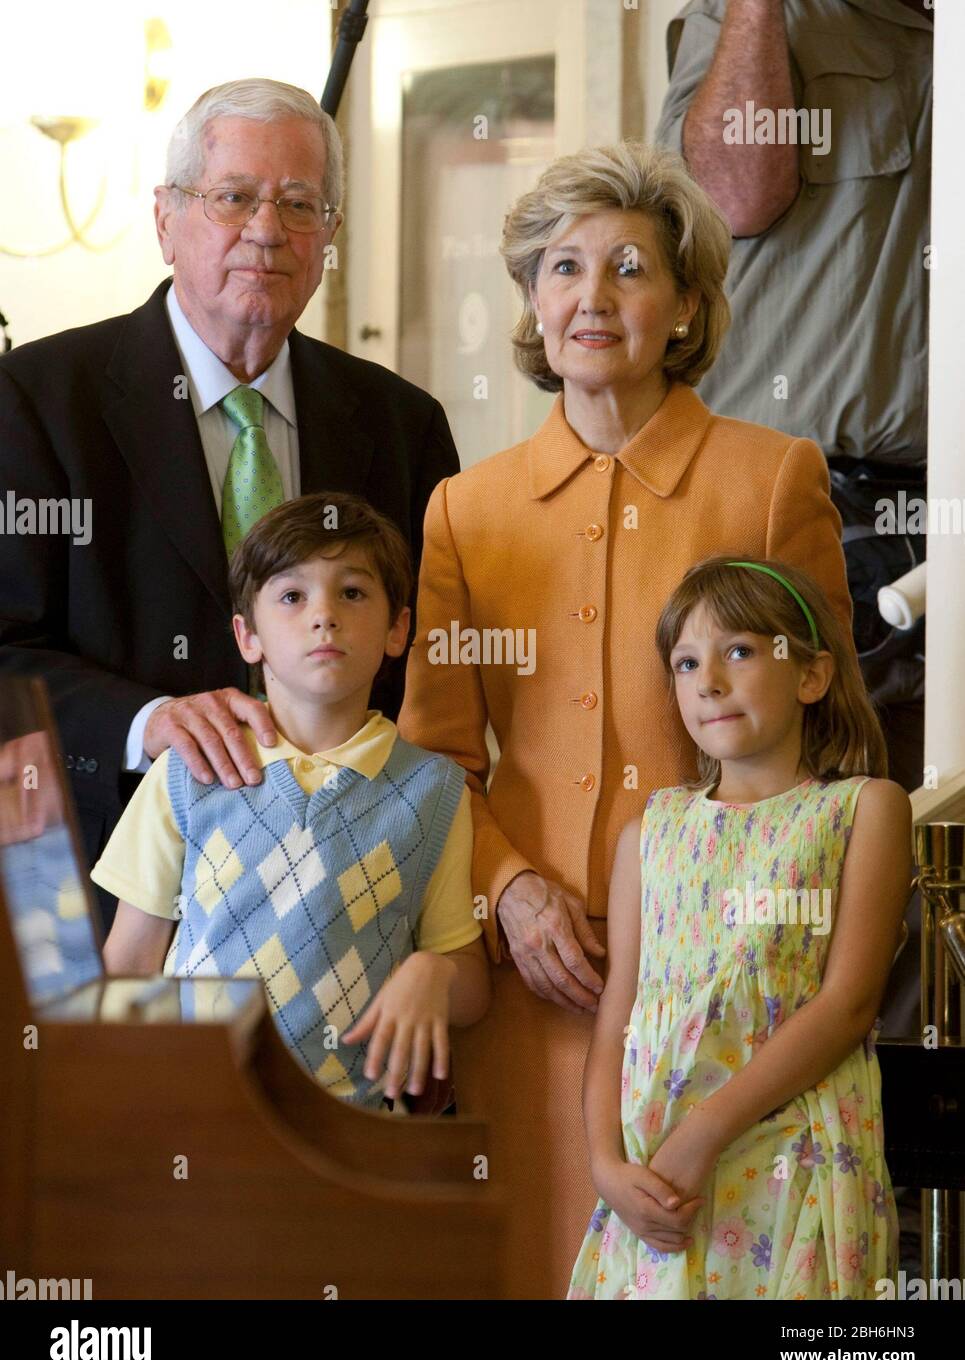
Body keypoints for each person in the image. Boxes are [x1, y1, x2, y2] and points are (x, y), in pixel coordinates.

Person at [397, 140, 854, 1297]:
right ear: (530, 305)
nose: (589, 297)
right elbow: (432, 758)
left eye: (628, 268)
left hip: (731, 998)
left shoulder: (770, 478)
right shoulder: (463, 509)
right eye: (560, 268)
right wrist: (508, 889)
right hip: (530, 981)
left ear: (687, 305)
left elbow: (837, 736)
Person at [0, 78, 459, 934]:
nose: (265, 231)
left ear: (329, 235)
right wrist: (149, 722)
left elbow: (428, 672)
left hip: (346, 908)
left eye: (298, 204)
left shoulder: (403, 424)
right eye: (233, 197)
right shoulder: (34, 400)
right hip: (95, 891)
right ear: (165, 218)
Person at [568, 555, 910, 1299]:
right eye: (686, 662)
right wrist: (605, 1165)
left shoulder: (862, 810)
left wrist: (704, 1135)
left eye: (739, 652)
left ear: (811, 675)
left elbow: (846, 1004)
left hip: (796, 1158)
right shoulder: (648, 832)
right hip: (655, 1176)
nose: (707, 680)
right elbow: (615, 1016)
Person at [93, 493, 488, 1110]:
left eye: (352, 593)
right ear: (247, 636)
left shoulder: (433, 792)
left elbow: (468, 983)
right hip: (188, 1117)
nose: (323, 615)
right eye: (292, 596)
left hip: (350, 1141)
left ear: (397, 628)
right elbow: (128, 963)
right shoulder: (186, 771)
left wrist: (435, 973)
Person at [653, 0, 933, 794]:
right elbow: (730, 195)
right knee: (806, 814)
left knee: (935, 829)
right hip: (802, 503)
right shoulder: (752, 17)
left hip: (942, 502)